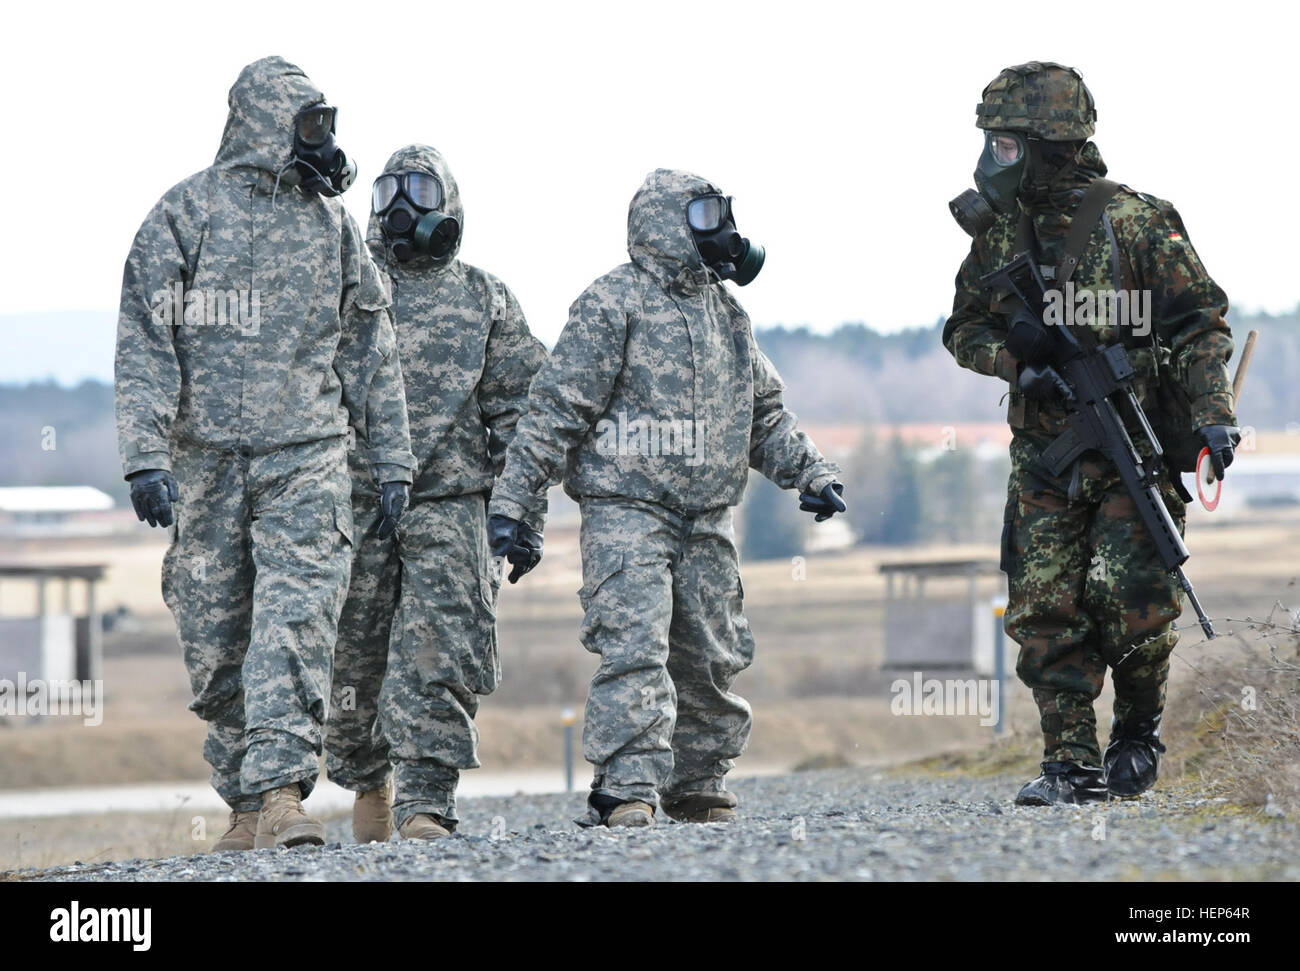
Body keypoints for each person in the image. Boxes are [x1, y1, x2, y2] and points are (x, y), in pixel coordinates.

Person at [115, 56, 414, 850]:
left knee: (294, 621)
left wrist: (392, 460)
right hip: (206, 463)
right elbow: (145, 341)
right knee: (216, 644)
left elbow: (370, 350)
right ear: (263, 124)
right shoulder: (181, 218)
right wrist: (145, 455)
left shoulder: (332, 228)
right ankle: (246, 803)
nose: (323, 142)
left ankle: (284, 794)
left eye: (328, 127)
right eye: (308, 126)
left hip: (307, 458)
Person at [488, 168, 846, 827]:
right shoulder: (610, 305)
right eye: (705, 214)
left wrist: (811, 474)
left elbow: (763, 415)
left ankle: (697, 781)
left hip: (708, 516)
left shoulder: (727, 314)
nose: (722, 229)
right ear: (666, 224)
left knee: (711, 654)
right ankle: (625, 785)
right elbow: (553, 411)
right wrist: (513, 500)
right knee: (636, 646)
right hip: (627, 514)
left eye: (723, 214)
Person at [942, 62, 1239, 804]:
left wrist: (1213, 415)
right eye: (992, 144)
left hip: (1129, 446)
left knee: (1133, 602)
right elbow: (961, 328)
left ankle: (1137, 729)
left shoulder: (1137, 221)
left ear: (1053, 143)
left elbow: (1199, 324)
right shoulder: (998, 234)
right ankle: (1068, 760)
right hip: (1045, 451)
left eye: (1007, 145)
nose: (992, 159)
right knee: (1043, 607)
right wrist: (1016, 361)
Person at [324, 145, 547, 842]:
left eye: (419, 188)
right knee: (348, 654)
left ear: (446, 202)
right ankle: (370, 786)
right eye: (390, 187)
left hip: (451, 503)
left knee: (440, 650)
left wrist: (522, 511)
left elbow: (522, 410)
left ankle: (425, 802)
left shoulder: (485, 298)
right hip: (354, 500)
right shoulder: (344, 286)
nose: (401, 202)